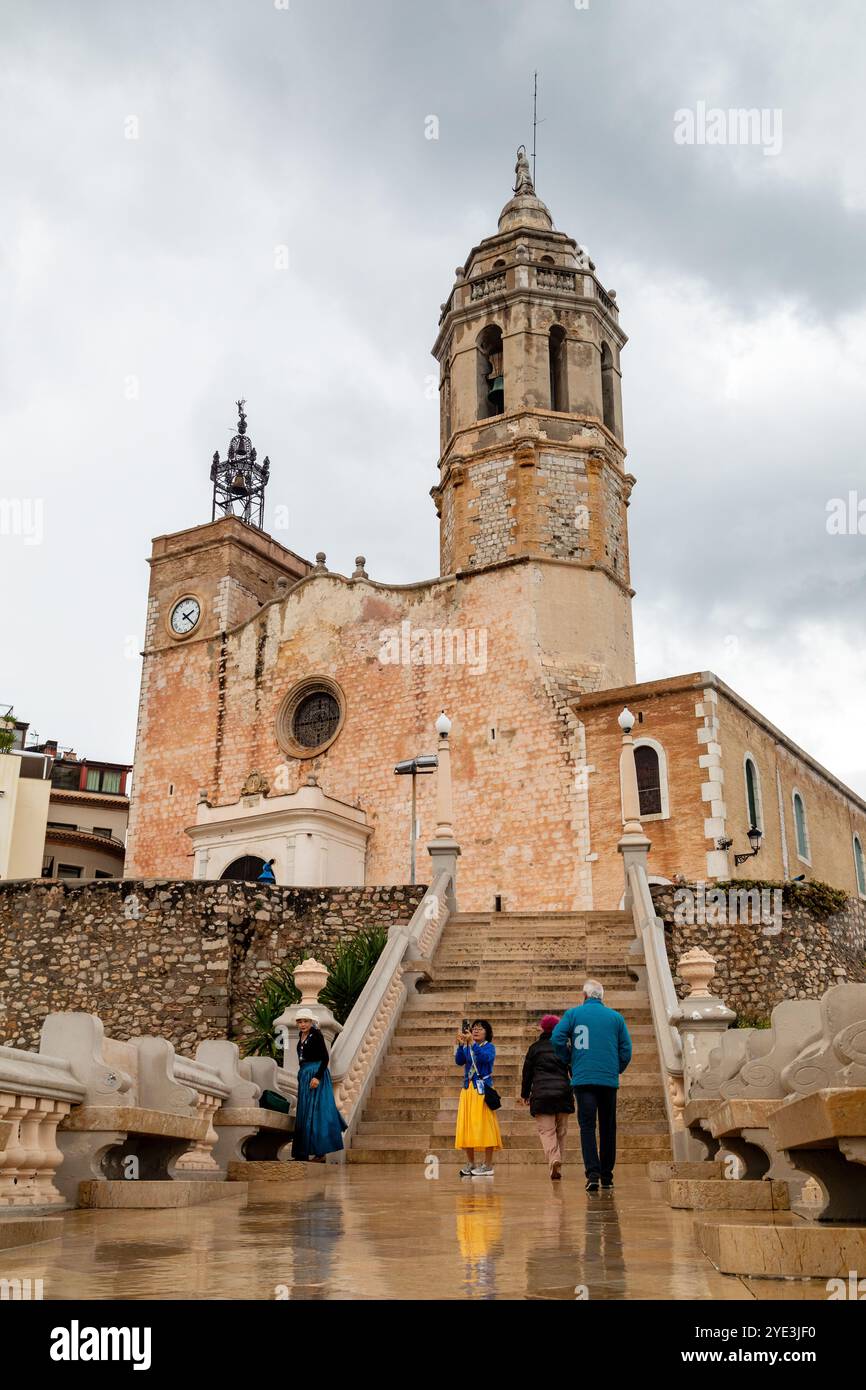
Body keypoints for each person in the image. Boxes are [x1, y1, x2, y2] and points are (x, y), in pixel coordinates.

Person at [551, 980, 632, 1194]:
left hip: (583, 1078)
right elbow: (626, 1050)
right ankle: (607, 1175)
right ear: (601, 997)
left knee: (587, 1127)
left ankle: (593, 1174)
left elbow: (557, 1038)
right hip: (607, 1079)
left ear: (584, 996)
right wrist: (616, 1068)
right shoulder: (616, 1018)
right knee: (608, 1127)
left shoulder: (573, 1014)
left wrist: (569, 1059)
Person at [519, 1014, 574, 1180]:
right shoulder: (564, 1046)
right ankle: (557, 1163)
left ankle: (554, 1159)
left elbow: (527, 1073)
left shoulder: (535, 1048)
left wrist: (524, 1094)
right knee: (561, 1131)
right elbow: (573, 1068)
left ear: (543, 1028)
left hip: (542, 1094)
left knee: (547, 1130)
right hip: (563, 1092)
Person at [290, 1008, 346, 1162]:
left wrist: (317, 1077)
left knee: (317, 1112)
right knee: (304, 1112)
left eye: (305, 1021)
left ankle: (320, 1153)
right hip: (305, 1075)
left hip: (316, 1074)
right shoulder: (301, 1035)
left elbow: (325, 1058)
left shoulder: (316, 1035)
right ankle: (302, 1153)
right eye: (300, 1021)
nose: (302, 1024)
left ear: (311, 1022)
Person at [454, 1019, 502, 1178]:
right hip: (468, 1090)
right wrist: (461, 1045)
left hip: (482, 1090)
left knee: (485, 1126)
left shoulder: (489, 1047)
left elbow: (485, 1059)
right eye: (474, 1029)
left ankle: (488, 1165)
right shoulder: (468, 1046)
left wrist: (472, 1045)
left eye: (480, 1029)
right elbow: (459, 1061)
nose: (475, 1031)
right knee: (467, 1126)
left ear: (487, 1032)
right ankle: (471, 1162)